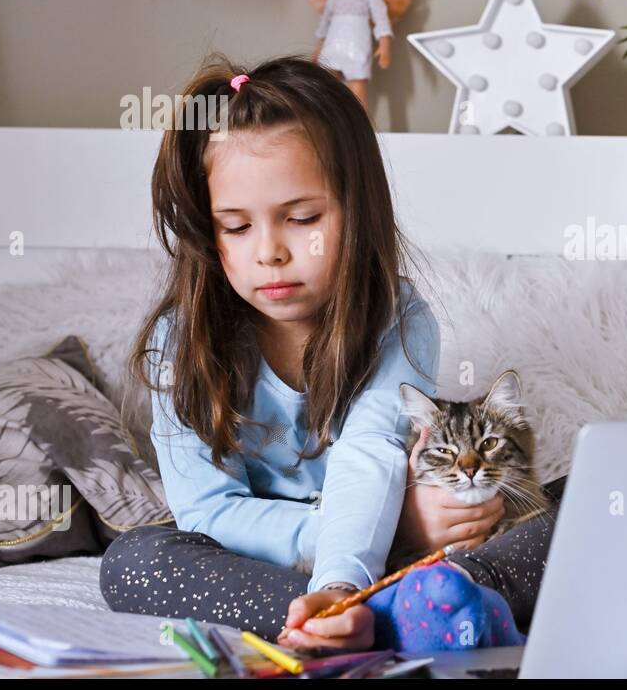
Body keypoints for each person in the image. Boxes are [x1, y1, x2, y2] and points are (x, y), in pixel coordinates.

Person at [101, 53, 563, 654]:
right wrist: (380, 536)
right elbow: (210, 514)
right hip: (267, 562)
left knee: (586, 498)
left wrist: (355, 563)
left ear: (357, 209)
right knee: (132, 560)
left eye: (301, 218)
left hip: (388, 541)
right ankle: (350, 616)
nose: (269, 252)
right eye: (236, 228)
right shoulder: (181, 339)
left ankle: (450, 591)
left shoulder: (397, 317)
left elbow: (369, 450)